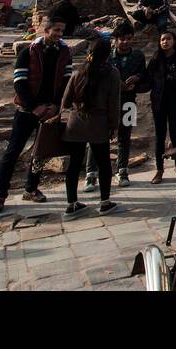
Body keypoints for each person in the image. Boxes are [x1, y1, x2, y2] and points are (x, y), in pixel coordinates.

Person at [0, 17, 73, 214]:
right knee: (13, 151)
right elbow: (19, 82)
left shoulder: (64, 53)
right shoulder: (29, 52)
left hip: (50, 111)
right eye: (56, 30)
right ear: (46, 30)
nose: (59, 34)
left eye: (62, 31)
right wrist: (34, 106)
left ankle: (31, 187)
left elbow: (66, 81)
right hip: (26, 110)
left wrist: (56, 106)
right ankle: (0, 194)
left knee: (41, 152)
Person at [62, 38, 121, 217]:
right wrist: (114, 125)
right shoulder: (112, 73)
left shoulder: (79, 72)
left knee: (73, 163)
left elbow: (65, 100)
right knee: (103, 162)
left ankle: (71, 203)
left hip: (76, 122)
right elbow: (114, 103)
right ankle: (105, 202)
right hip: (99, 122)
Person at [87, 21, 147, 190]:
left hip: (129, 101)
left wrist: (137, 79)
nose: (125, 42)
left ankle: (122, 171)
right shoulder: (105, 56)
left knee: (125, 137)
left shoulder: (138, 56)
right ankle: (91, 174)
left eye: (129, 38)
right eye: (122, 39)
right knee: (98, 137)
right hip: (105, 104)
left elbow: (144, 75)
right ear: (115, 39)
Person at [147, 30, 176, 184]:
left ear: (174, 41)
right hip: (159, 102)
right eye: (162, 39)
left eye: (168, 39)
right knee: (160, 137)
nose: (165, 42)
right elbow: (148, 78)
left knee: (175, 135)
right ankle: (159, 170)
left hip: (175, 101)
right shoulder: (156, 58)